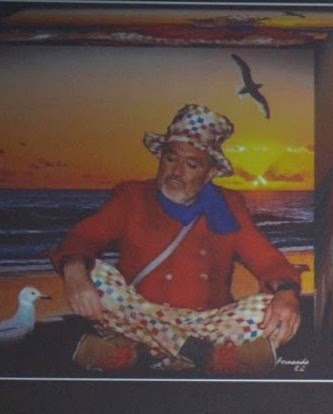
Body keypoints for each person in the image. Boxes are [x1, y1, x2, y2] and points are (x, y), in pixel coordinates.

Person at [49, 103, 304, 374]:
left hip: (206, 324)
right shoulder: (132, 197)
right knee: (96, 275)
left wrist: (287, 294)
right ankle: (204, 356)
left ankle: (138, 354)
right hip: (137, 314)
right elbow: (84, 237)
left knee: (268, 307)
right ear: (161, 157)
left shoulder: (229, 206)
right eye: (171, 158)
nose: (177, 171)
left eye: (192, 164)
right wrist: (75, 272)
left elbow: (266, 260)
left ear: (210, 172)